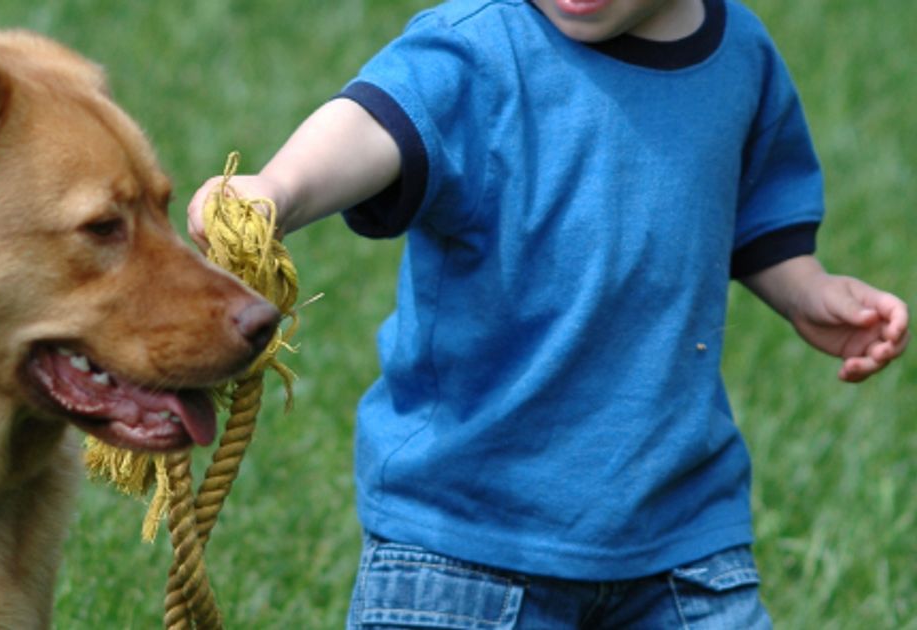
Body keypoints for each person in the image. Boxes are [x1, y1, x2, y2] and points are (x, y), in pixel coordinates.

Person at [187, 0, 910, 627]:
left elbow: (748, 205)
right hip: (466, 547)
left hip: (683, 538)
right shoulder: (478, 46)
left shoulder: (739, 55)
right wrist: (279, 189)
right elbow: (376, 124)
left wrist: (804, 287)